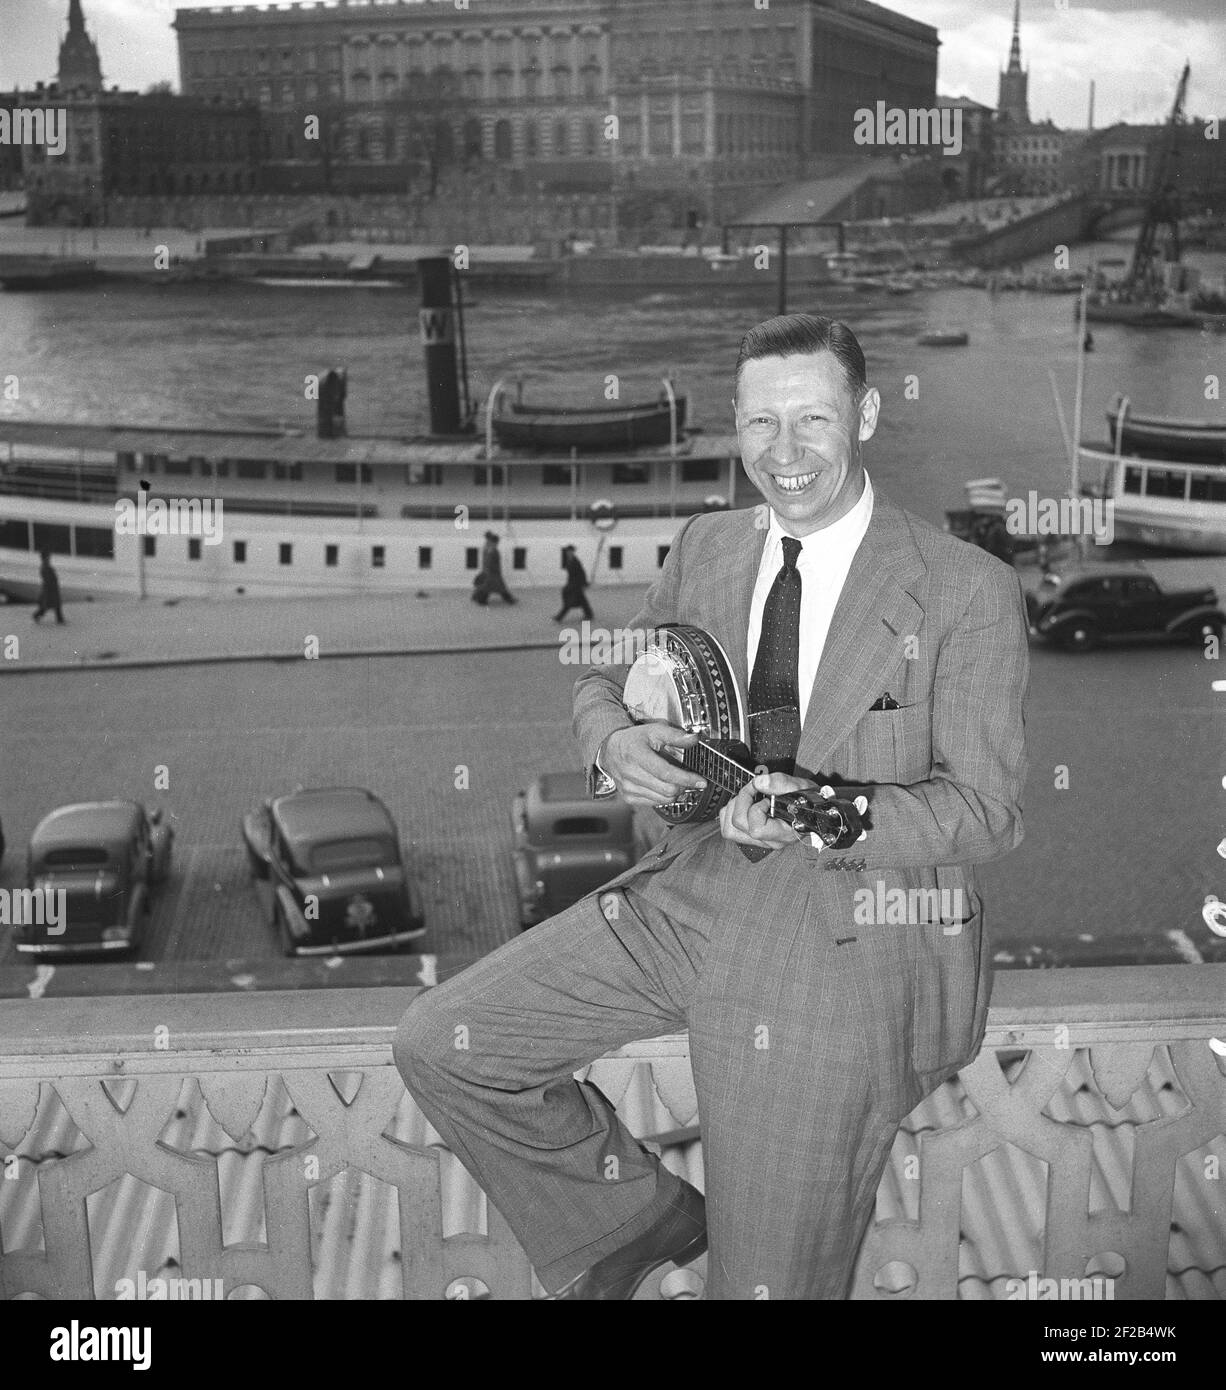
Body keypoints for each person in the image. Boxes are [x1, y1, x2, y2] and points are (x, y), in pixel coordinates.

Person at [394, 313, 1029, 1300]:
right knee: (441, 1045)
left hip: (839, 942)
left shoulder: (967, 589)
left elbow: (983, 812)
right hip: (688, 890)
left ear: (863, 414)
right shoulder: (708, 545)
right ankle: (632, 1217)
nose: (784, 455)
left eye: (811, 421)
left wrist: (816, 811)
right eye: (759, 425)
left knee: (764, 1285)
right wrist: (613, 742)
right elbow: (614, 678)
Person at [553, 544, 593, 623]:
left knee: (569, 600)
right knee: (582, 600)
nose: (568, 553)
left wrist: (584, 583)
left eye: (570, 551)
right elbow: (570, 574)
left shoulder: (575, 561)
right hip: (573, 583)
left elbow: (582, 572)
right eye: (567, 551)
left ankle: (559, 617)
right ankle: (589, 614)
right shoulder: (569, 560)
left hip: (576, 584)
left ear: (572, 552)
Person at [480, 531, 517, 604]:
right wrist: (491, 570)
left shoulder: (489, 548)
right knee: (496, 586)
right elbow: (488, 561)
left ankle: (481, 599)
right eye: (496, 542)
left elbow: (487, 560)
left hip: (492, 571)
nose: (497, 543)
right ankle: (481, 599)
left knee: (493, 586)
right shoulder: (491, 549)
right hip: (493, 572)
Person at [31, 550, 65, 624]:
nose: (49, 558)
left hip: (51, 587)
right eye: (48, 556)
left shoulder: (46, 565)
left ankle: (59, 619)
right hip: (50, 588)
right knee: (50, 604)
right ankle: (37, 615)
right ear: (45, 557)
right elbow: (48, 578)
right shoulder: (45, 566)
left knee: (53, 604)